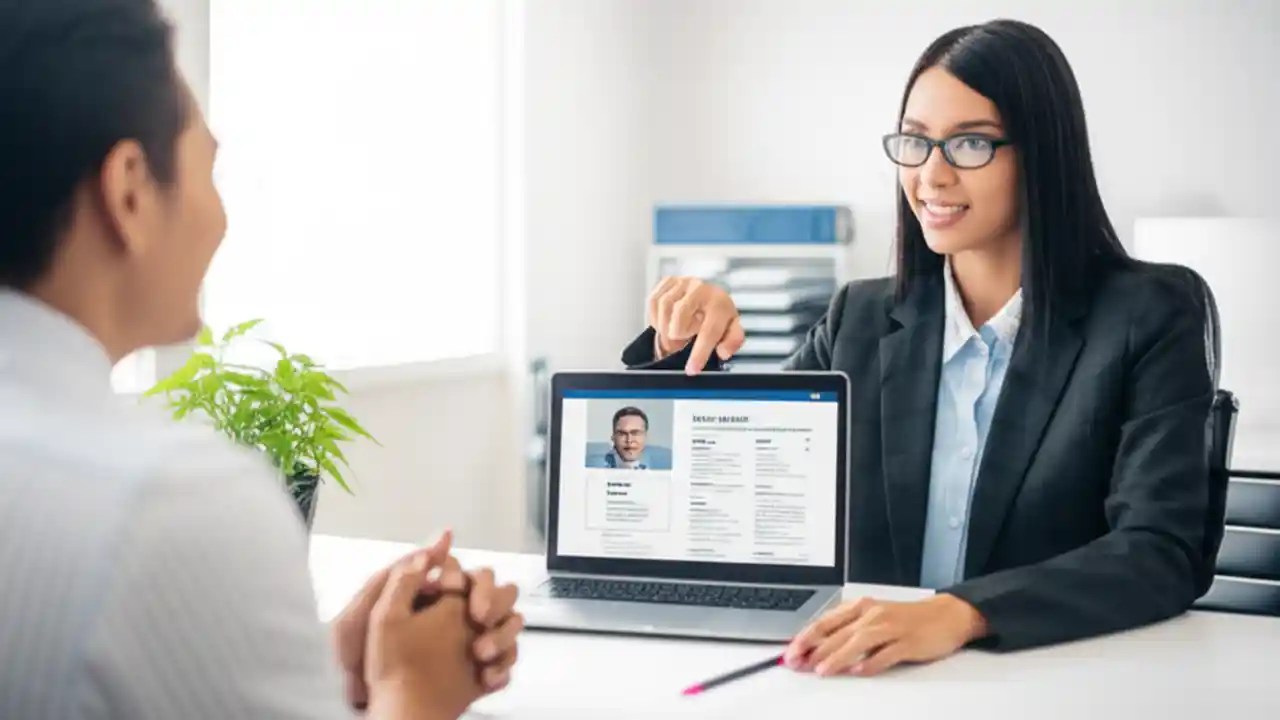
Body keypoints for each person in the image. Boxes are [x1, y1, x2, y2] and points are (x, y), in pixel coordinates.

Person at [627, 19, 1215, 676]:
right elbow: (734, 487)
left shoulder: (1148, 315)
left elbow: (1159, 552)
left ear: (1043, 155)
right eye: (915, 142)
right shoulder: (860, 317)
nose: (930, 176)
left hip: (1051, 678)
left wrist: (962, 611)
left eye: (970, 144)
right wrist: (687, 347)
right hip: (868, 680)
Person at [0, 1, 521, 718]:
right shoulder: (167, 505)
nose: (220, 217)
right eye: (207, 170)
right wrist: (416, 691)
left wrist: (318, 669)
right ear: (128, 192)